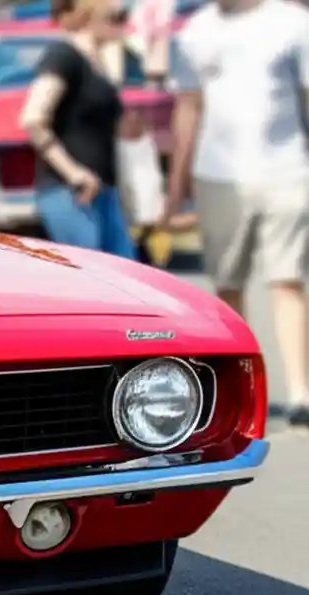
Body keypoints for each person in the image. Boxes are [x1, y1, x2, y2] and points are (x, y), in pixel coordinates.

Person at [162, 0, 309, 426]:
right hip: (218, 174)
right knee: (227, 285)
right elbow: (187, 108)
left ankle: (300, 392)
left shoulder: (293, 23)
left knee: (287, 280)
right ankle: (240, 392)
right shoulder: (195, 32)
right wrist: (176, 186)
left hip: (287, 170)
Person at [17, 0, 136, 259]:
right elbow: (33, 118)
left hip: (102, 192)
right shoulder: (64, 56)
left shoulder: (98, 61)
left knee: (125, 278)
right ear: (90, 15)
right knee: (93, 278)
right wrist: (74, 174)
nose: (123, 23)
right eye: (116, 17)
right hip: (71, 193)